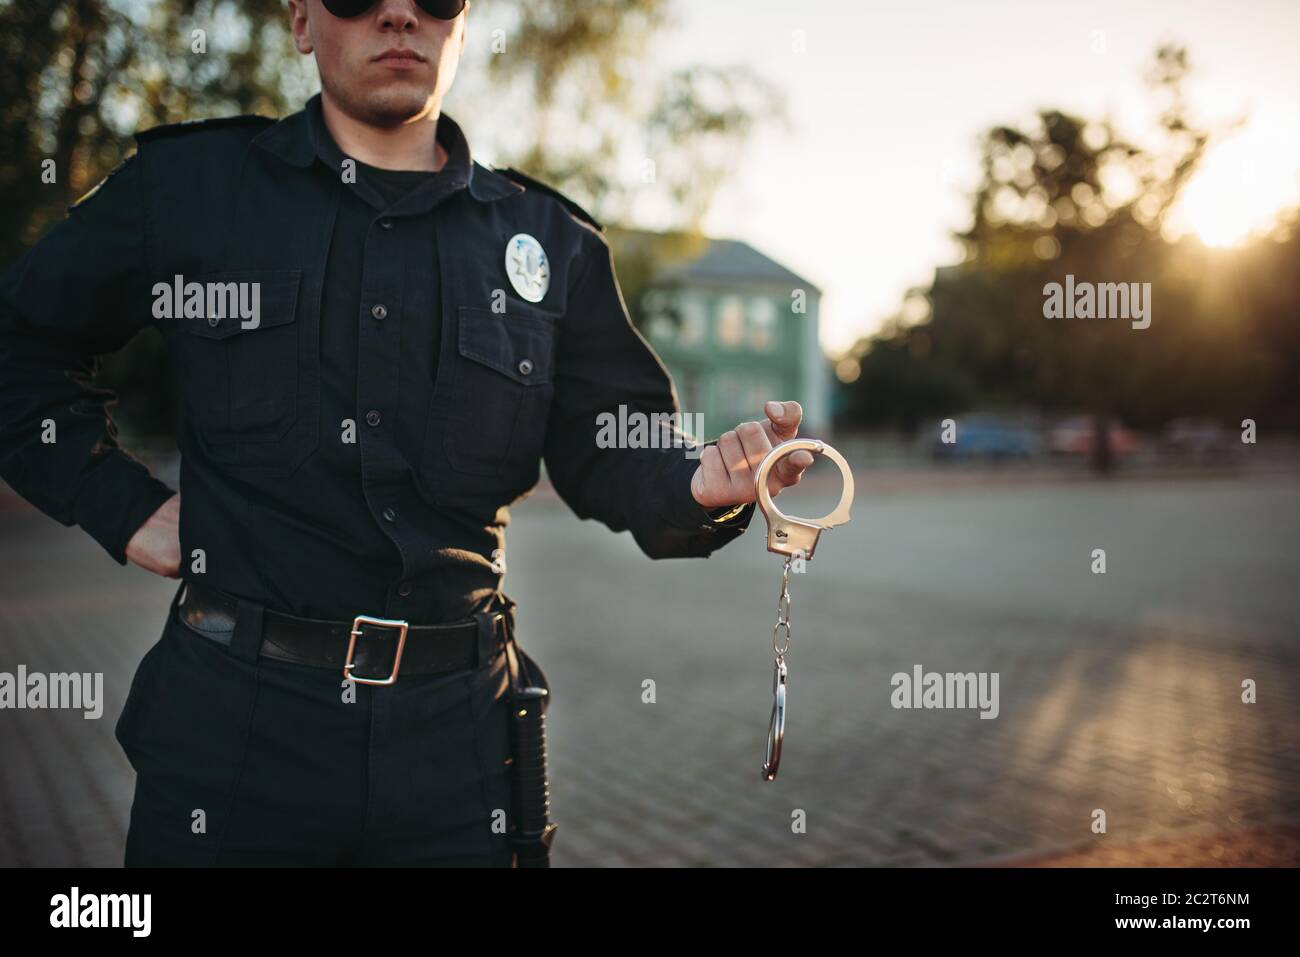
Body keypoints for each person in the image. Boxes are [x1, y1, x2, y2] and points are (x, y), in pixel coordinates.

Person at [0, 0, 814, 866]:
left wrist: (703, 483)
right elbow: (18, 346)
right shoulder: (193, 188)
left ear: (460, 23)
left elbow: (615, 446)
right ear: (303, 20)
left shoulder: (549, 241)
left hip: (460, 755)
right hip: (234, 745)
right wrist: (122, 505)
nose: (399, 13)